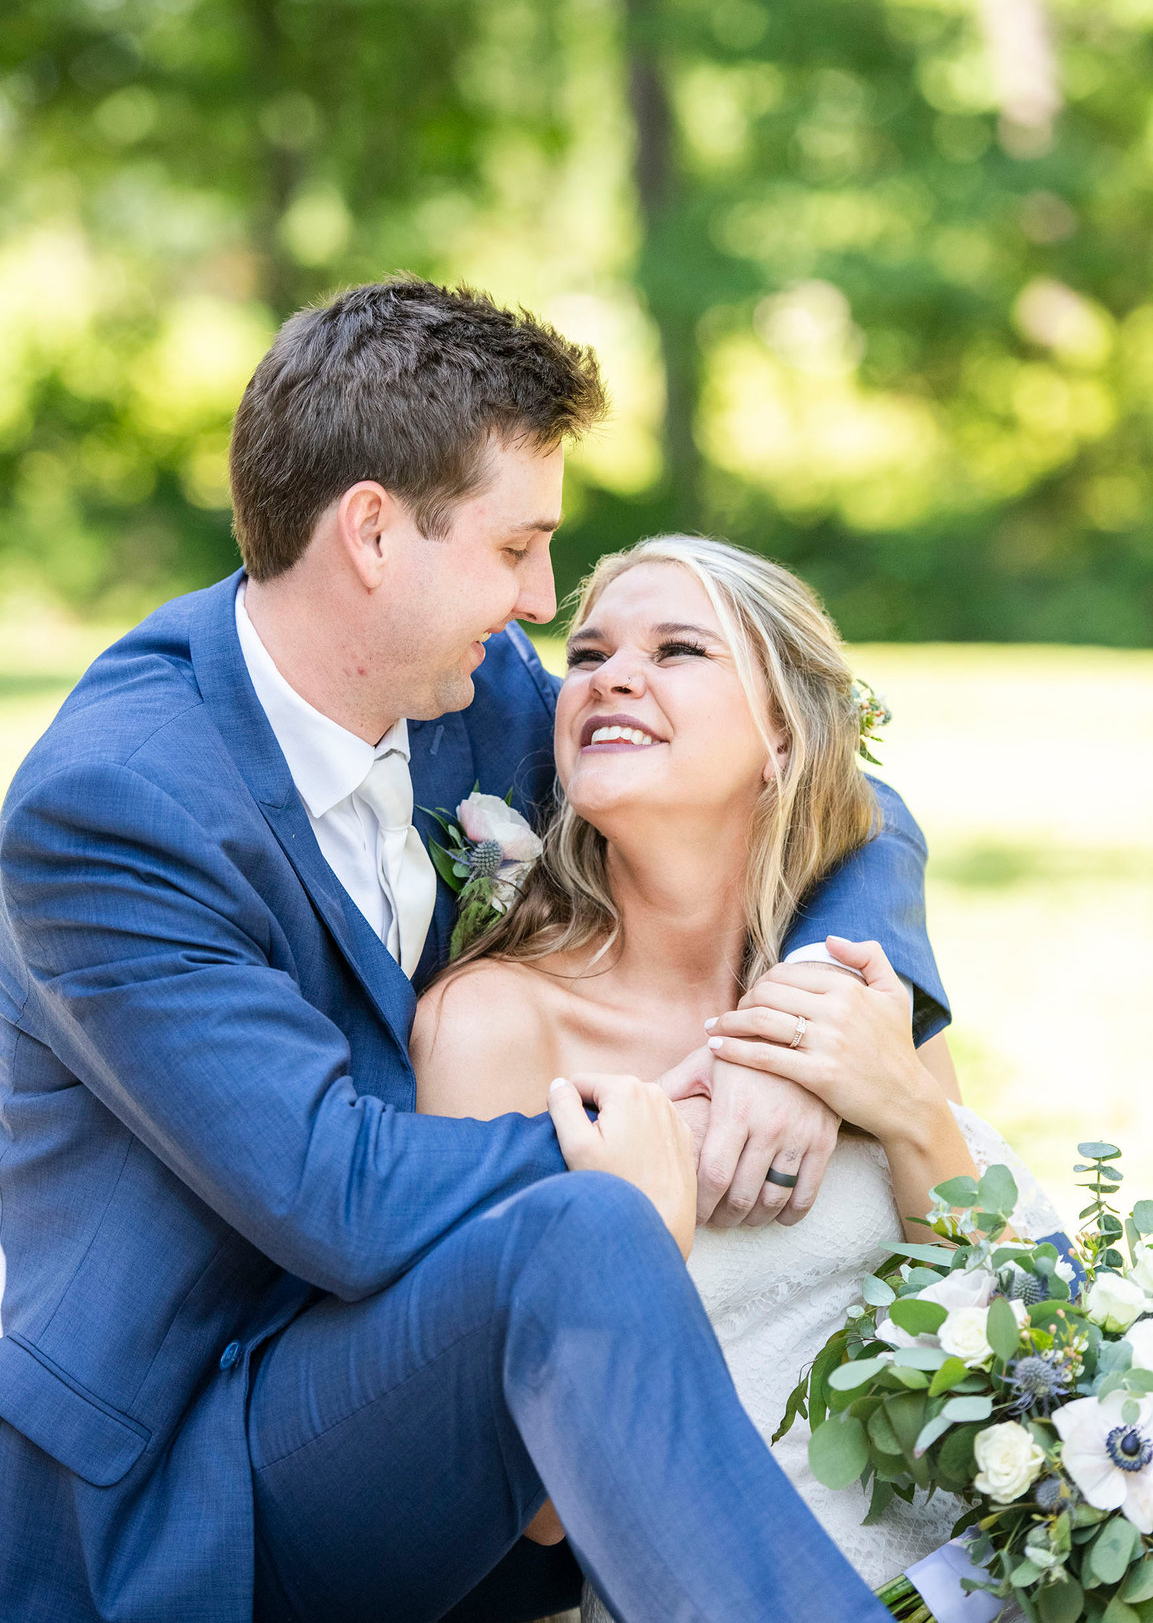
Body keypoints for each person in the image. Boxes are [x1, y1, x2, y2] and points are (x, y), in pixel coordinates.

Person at [0, 279, 946, 1623]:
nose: (542, 599)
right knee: (582, 1229)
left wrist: (799, 1020)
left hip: (428, 1391)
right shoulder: (117, 807)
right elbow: (330, 1189)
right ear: (375, 533)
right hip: (188, 1476)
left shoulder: (460, 690)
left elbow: (819, 787)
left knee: (576, 1240)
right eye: (518, 548)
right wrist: (644, 1125)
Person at [411, 534, 1063, 1614]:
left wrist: (900, 1105)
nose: (613, 674)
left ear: (780, 735)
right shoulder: (493, 1024)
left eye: (678, 649)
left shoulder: (851, 984)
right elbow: (530, 1511)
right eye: (588, 653)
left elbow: (1012, 1331)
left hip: (988, 1574)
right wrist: (640, 1235)